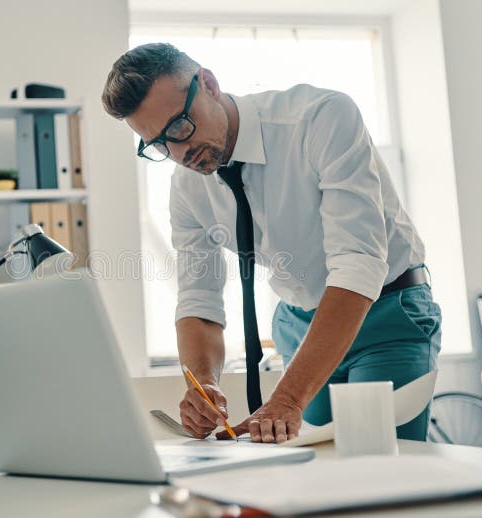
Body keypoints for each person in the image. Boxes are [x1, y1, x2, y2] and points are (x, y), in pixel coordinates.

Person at [101, 43, 441, 444]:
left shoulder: (321, 118)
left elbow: (358, 263)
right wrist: (203, 385)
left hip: (385, 312)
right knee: (315, 472)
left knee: (382, 469)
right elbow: (199, 297)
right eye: (158, 144)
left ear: (207, 84)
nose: (179, 152)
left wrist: (289, 398)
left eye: (179, 126)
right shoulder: (187, 188)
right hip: (298, 326)